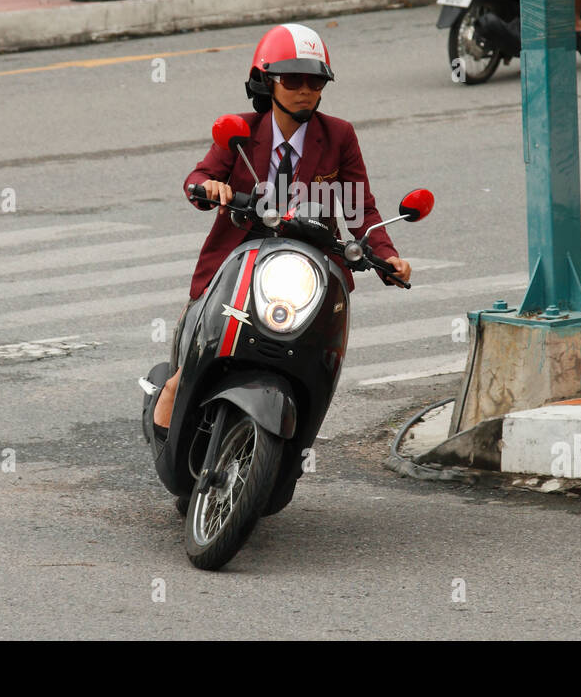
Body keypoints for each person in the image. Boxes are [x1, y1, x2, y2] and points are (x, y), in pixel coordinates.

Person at [151, 22, 412, 435]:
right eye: (293, 79)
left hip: (311, 261)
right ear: (266, 81)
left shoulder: (339, 135)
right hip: (240, 255)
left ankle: (304, 414)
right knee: (204, 335)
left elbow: (359, 204)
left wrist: (386, 254)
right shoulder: (240, 130)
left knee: (319, 347)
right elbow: (197, 178)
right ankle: (179, 380)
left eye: (315, 80)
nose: (305, 89)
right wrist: (210, 188)